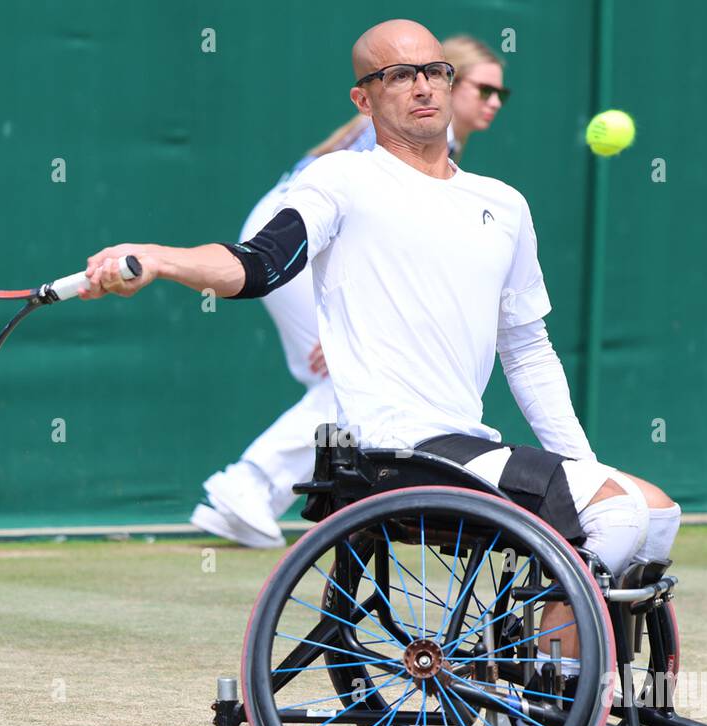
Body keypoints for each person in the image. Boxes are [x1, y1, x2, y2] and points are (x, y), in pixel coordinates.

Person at [81, 19, 681, 726]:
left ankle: (539, 702)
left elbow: (527, 352)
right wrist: (160, 260)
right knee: (615, 521)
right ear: (365, 98)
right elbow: (254, 265)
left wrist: (586, 469)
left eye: (433, 70)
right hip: (395, 446)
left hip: (465, 442)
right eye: (398, 76)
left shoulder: (500, 203)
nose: (423, 85)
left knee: (654, 516)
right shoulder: (340, 184)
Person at [192, 35, 512, 549]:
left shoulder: (430, 137)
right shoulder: (423, 132)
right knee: (351, 377)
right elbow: (369, 221)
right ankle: (247, 485)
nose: (494, 101)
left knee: (350, 384)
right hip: (300, 236)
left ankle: (304, 497)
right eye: (485, 88)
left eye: (503, 94)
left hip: (303, 229)